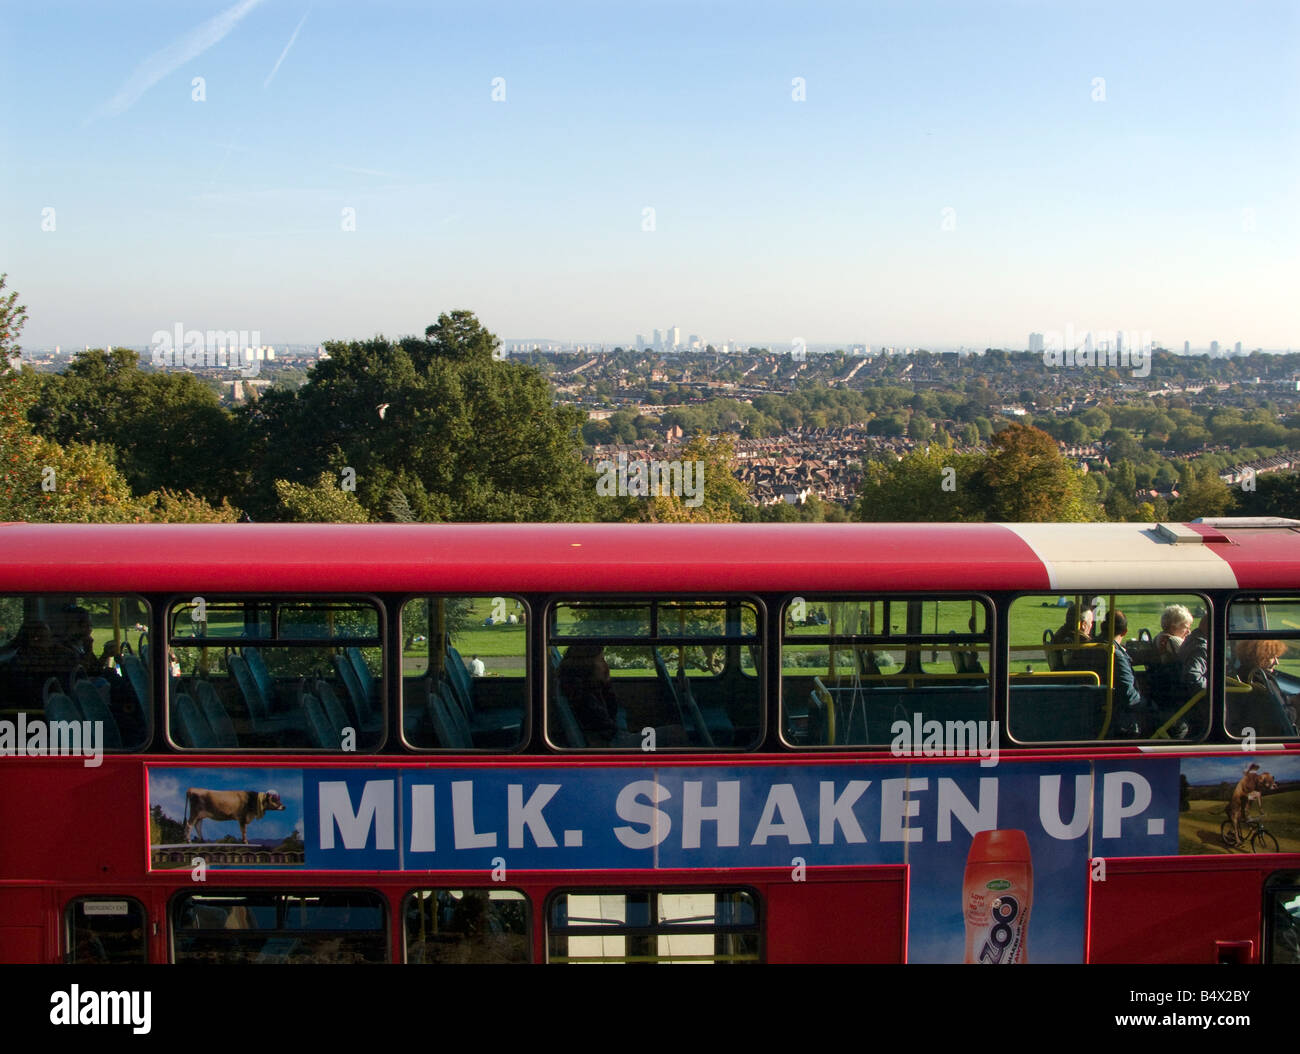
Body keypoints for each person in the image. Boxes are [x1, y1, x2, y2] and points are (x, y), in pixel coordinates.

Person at [555, 644, 620, 746]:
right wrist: (607, 684)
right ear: (588, 666)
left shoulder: (584, 688)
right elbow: (608, 726)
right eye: (601, 660)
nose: (606, 665)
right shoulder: (585, 698)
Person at [1109, 611, 1149, 736]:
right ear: (1125, 632)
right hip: (1121, 719)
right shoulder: (1115, 654)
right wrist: (1149, 704)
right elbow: (1129, 695)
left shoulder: (1094, 646)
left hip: (1103, 712)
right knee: (1178, 726)